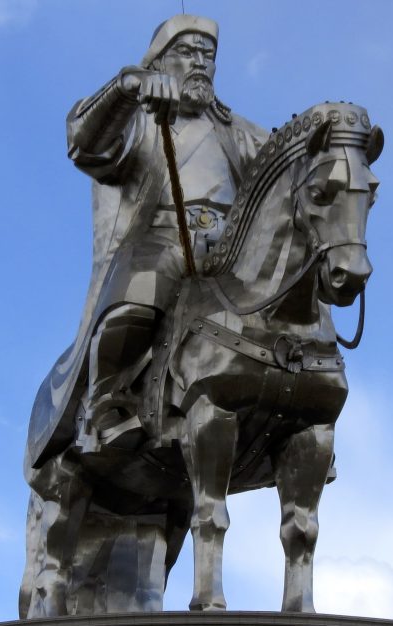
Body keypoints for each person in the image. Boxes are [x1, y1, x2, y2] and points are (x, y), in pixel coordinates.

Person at [26, 15, 266, 471]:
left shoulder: (241, 132)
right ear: (159, 60)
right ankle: (106, 403)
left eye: (208, 56)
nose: (200, 63)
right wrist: (125, 90)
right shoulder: (140, 119)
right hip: (163, 238)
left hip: (231, 252)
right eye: (187, 53)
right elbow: (86, 144)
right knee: (143, 286)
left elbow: (283, 177)